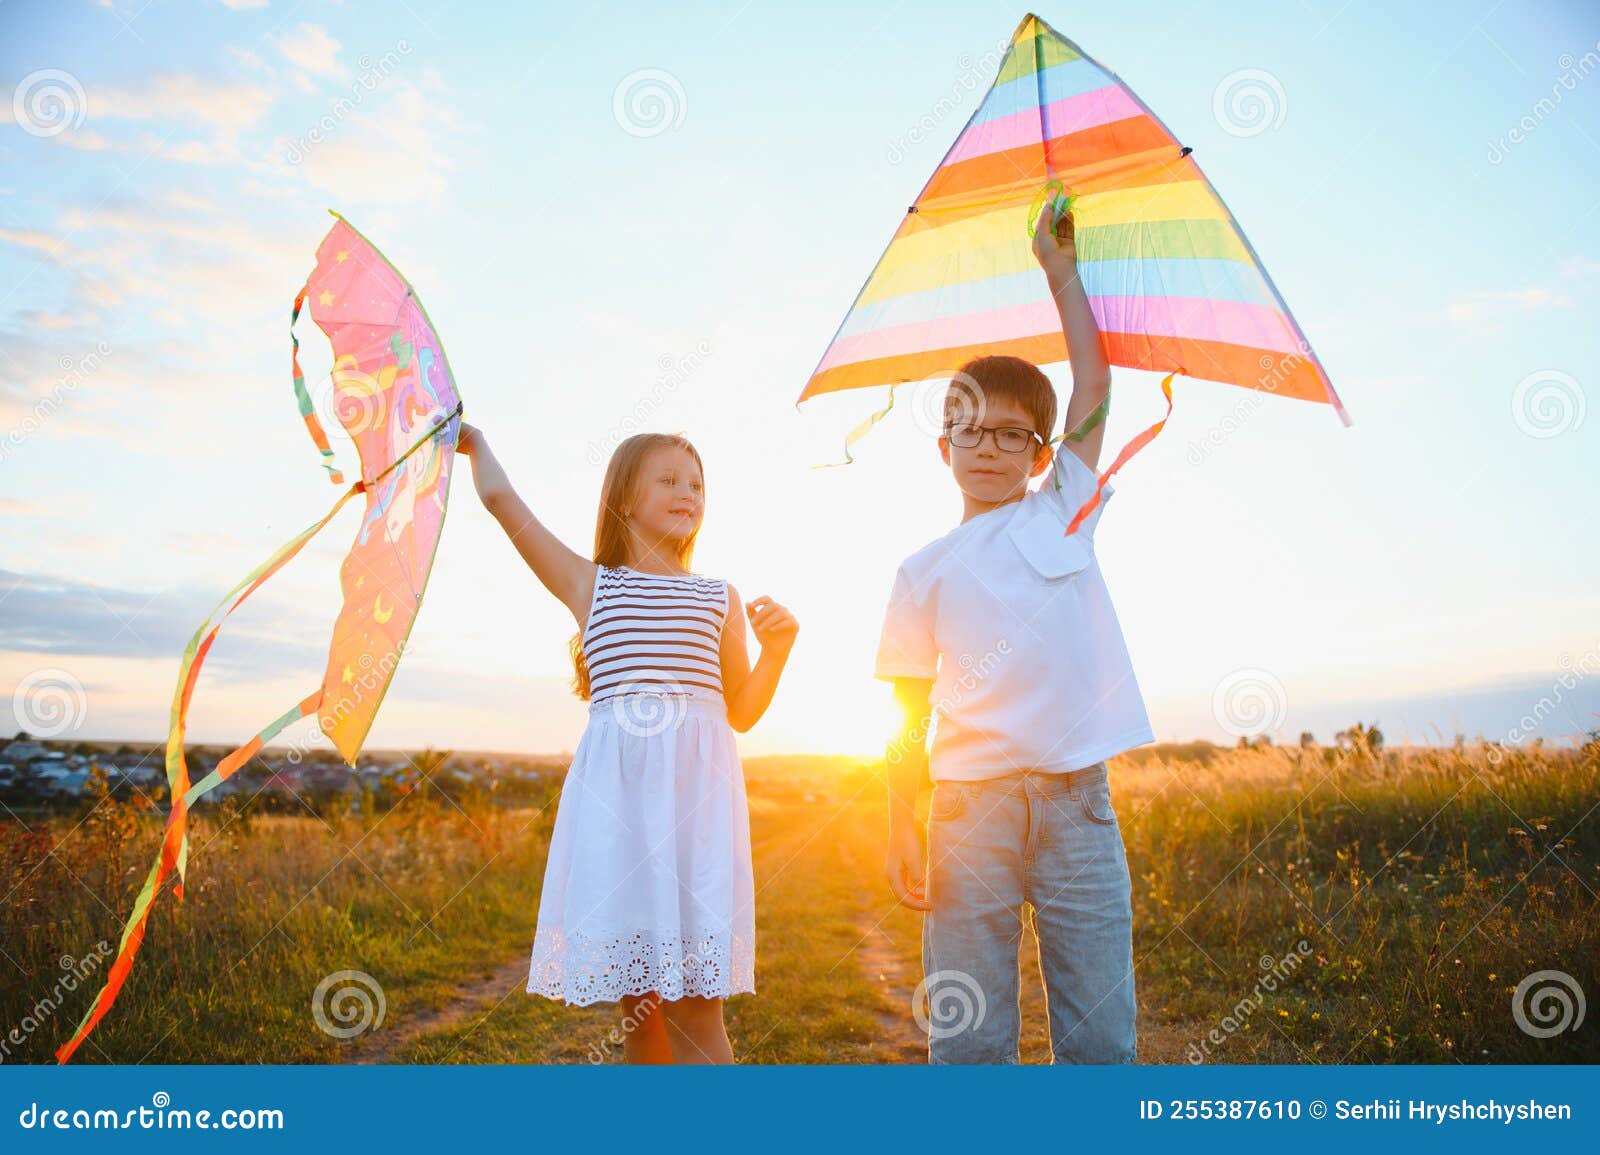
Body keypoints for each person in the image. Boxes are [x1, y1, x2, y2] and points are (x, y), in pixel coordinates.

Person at [875, 202, 1152, 1064]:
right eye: (968, 431)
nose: (986, 448)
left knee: (1101, 1037)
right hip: (966, 812)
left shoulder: (1065, 508)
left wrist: (1059, 273)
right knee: (968, 1043)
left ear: (1041, 452)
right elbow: (907, 713)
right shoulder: (922, 570)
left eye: (1010, 435)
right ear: (943, 446)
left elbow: (1096, 389)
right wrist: (900, 820)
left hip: (1077, 803)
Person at [457, 424, 798, 1064]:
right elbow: (503, 503)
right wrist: (476, 445)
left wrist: (778, 651)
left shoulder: (717, 597)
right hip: (619, 817)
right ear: (623, 497)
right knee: (640, 1015)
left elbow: (744, 711)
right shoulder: (590, 587)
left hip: (695, 816)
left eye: (696, 483)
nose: (687, 492)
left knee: (698, 1008)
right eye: (667, 479)